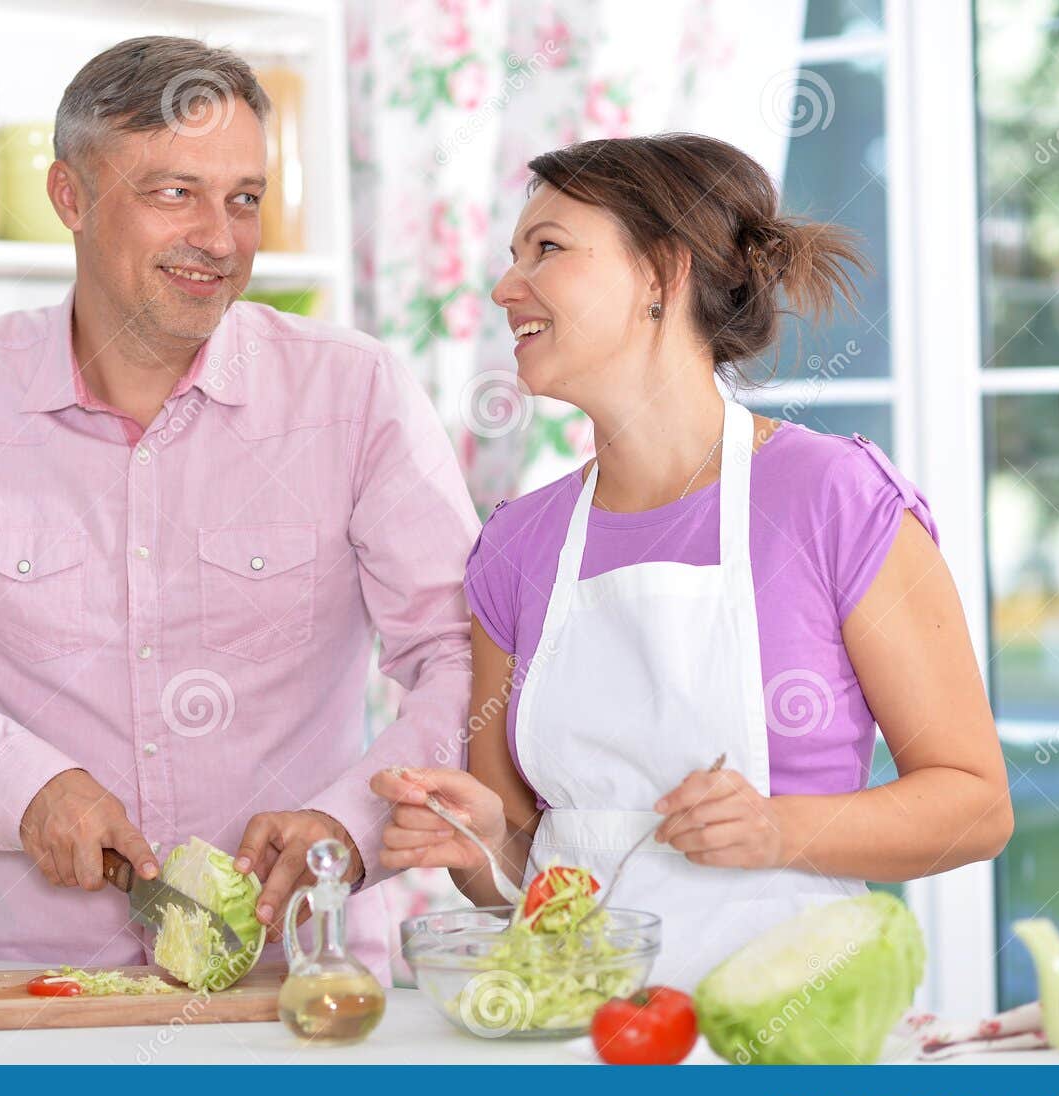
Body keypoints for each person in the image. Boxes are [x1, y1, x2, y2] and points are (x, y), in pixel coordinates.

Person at [0, 37, 479, 979]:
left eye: (244, 198)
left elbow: (465, 655)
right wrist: (17, 785)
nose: (221, 240)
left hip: (300, 988)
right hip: (30, 994)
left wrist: (351, 825)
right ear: (70, 197)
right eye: (173, 193)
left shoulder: (355, 395)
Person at [371, 134, 1012, 988]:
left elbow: (976, 804)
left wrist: (780, 830)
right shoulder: (517, 545)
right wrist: (479, 842)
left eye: (548, 249)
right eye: (511, 256)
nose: (503, 287)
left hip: (791, 1036)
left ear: (661, 275)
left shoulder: (832, 498)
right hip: (583, 1037)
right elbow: (526, 877)